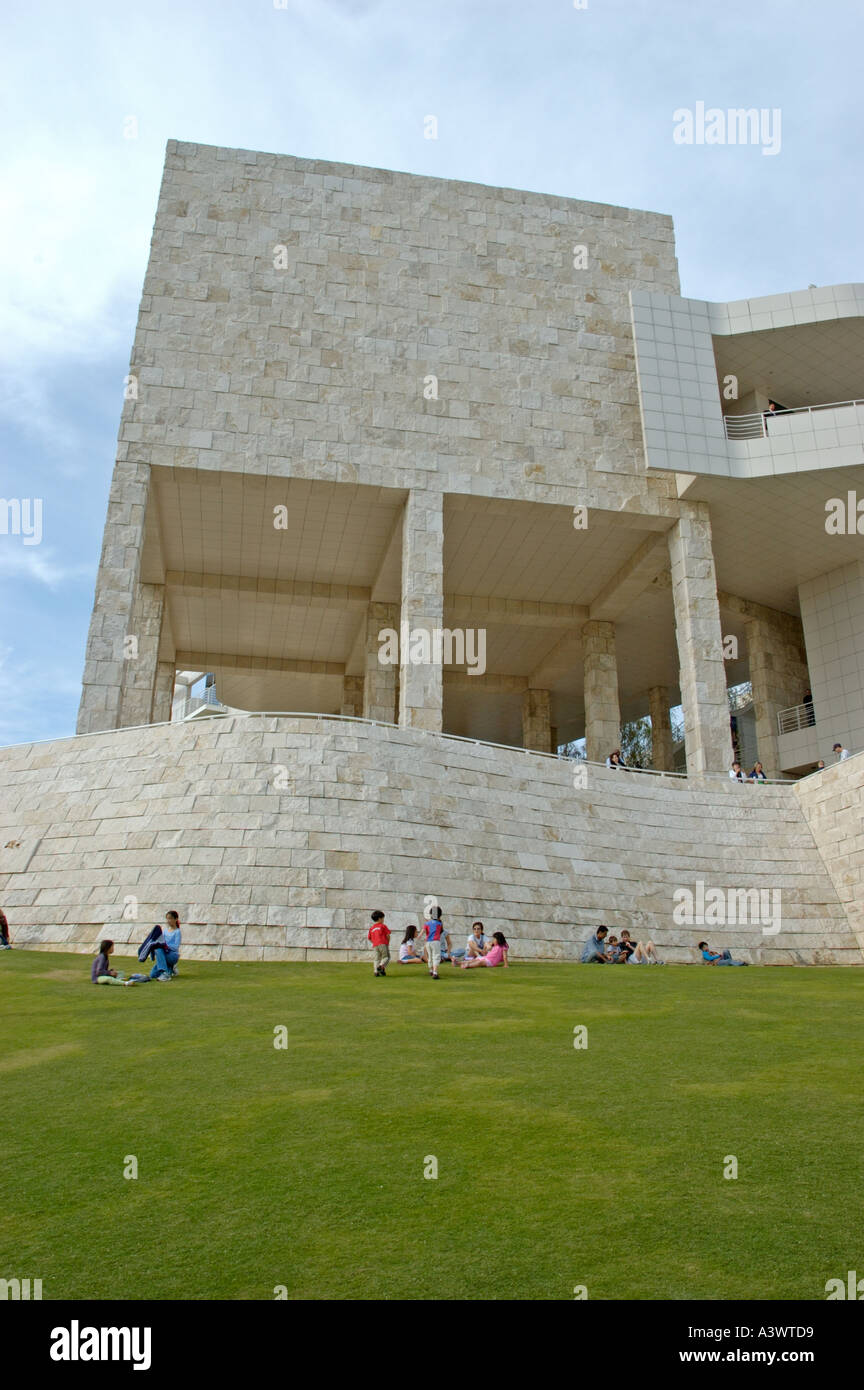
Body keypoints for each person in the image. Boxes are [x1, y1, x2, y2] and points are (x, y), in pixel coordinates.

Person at [150, 910, 182, 981]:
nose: (168, 920)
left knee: (158, 949)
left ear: (176, 919)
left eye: (170, 918)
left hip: (172, 955)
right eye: (167, 918)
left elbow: (175, 947)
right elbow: (161, 941)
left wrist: (165, 946)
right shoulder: (165, 931)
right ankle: (170, 969)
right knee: (153, 975)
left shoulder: (177, 932)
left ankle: (165, 974)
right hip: (164, 954)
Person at [423, 907, 451, 980]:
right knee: (436, 956)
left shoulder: (428, 924)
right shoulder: (438, 924)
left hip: (430, 943)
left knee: (431, 957)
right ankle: (435, 972)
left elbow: (427, 933)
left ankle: (431, 970)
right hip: (436, 944)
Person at [368, 910, 391, 976]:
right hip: (383, 943)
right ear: (380, 918)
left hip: (375, 945)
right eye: (383, 918)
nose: (383, 920)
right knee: (386, 957)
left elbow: (369, 938)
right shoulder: (383, 926)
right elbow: (388, 935)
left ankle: (376, 971)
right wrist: (387, 942)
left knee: (377, 959)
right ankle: (381, 966)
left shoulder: (371, 928)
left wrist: (374, 942)